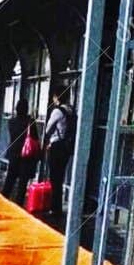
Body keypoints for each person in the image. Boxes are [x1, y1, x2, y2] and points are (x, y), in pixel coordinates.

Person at [44, 89, 77, 217]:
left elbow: (48, 129)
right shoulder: (72, 111)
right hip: (67, 147)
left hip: (57, 146)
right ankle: (56, 207)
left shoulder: (57, 111)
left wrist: (48, 141)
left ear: (57, 97)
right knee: (60, 176)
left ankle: (54, 208)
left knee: (54, 178)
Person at [2, 97, 38, 206]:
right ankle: (18, 204)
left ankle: (3, 199)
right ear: (26, 109)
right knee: (22, 183)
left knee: (10, 179)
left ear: (16, 108)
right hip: (25, 155)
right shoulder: (30, 122)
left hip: (13, 153)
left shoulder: (11, 122)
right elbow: (35, 138)